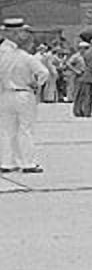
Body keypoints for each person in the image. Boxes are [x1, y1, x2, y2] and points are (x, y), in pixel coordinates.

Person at [0, 22, 49, 173]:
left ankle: (7, 163)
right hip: (24, 94)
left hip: (5, 94)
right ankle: (27, 163)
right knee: (25, 129)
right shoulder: (24, 57)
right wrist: (35, 83)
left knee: (7, 130)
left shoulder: (2, 55)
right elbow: (44, 73)